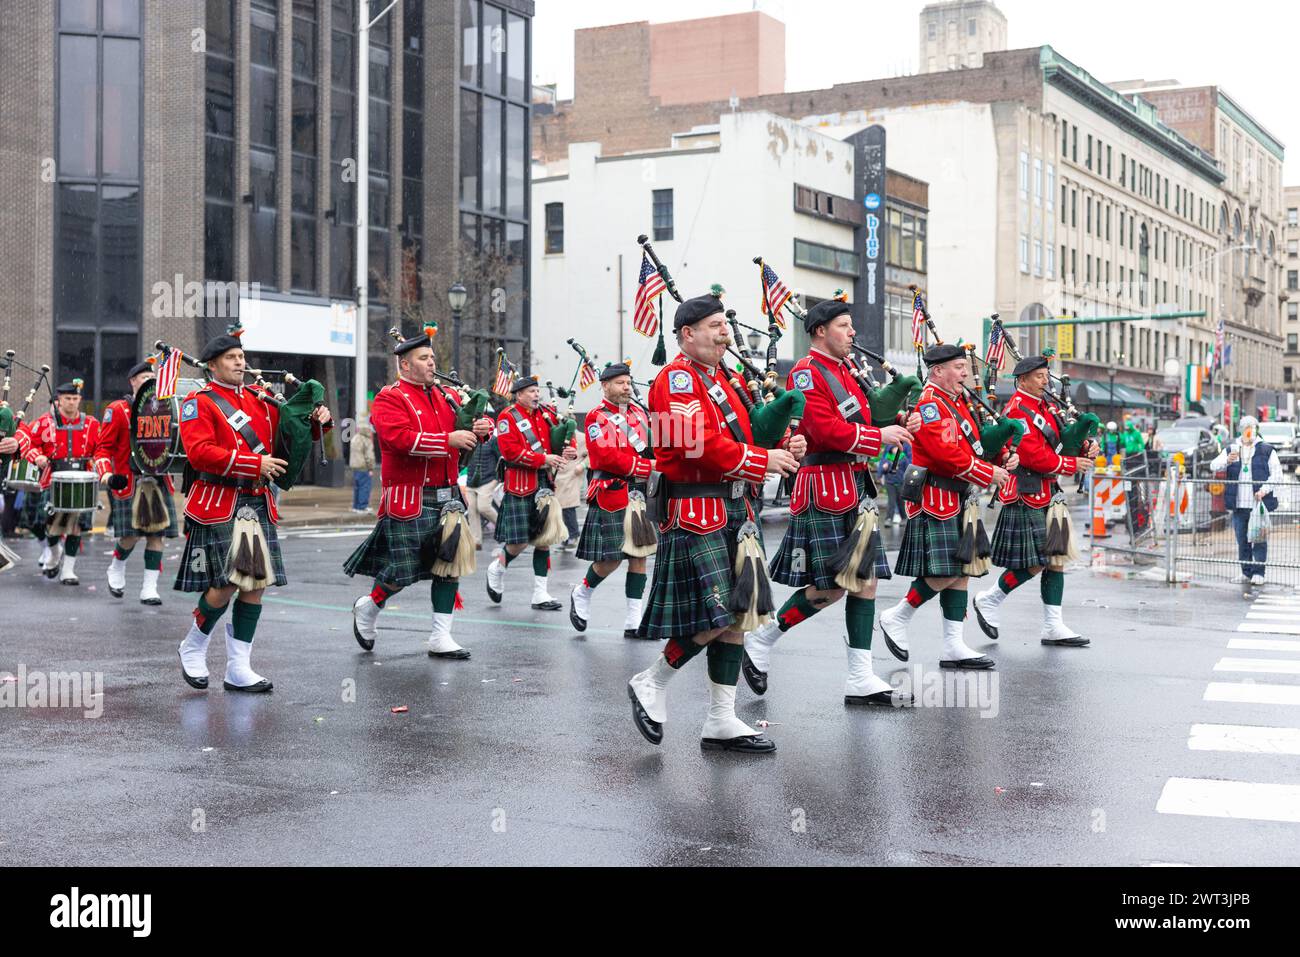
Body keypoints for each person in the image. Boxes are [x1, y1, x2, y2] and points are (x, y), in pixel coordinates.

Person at [625, 292, 801, 754]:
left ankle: (721, 719)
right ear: (687, 333)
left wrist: (784, 440)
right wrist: (762, 459)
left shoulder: (724, 378)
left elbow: (746, 433)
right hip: (697, 511)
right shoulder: (674, 380)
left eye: (726, 324)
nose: (726, 332)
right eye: (715, 325)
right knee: (716, 613)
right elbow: (689, 445)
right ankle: (651, 680)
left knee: (738, 615)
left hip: (736, 511)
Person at [741, 298, 916, 706]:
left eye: (851, 325)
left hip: (855, 486)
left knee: (864, 581)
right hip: (825, 485)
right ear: (820, 331)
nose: (852, 332)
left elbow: (863, 418)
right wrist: (879, 437)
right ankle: (762, 641)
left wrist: (894, 422)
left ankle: (859, 675)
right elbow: (823, 429)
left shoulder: (846, 371)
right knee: (829, 588)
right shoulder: (806, 372)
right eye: (843, 325)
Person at [174, 327, 332, 692]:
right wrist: (251, 464)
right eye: (231, 357)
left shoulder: (262, 399)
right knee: (225, 583)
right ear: (213, 365)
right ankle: (193, 645)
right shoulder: (200, 402)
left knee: (255, 585)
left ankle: (238, 666)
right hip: (220, 501)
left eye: (242, 357)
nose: (240, 362)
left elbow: (285, 438)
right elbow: (199, 453)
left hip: (257, 501)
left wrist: (314, 422)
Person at [345, 329, 493, 659]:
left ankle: (441, 637)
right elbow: (397, 438)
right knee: (401, 572)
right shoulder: (390, 398)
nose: (431, 363)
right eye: (424, 359)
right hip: (409, 499)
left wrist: (478, 432)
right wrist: (448, 440)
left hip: (448, 497)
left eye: (432, 358)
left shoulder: (445, 397)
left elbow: (461, 435)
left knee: (449, 564)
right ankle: (368, 608)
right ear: (405, 365)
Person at [876, 344, 1016, 670]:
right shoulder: (929, 405)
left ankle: (953, 645)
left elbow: (975, 443)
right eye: (957, 367)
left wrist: (1001, 454)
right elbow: (944, 455)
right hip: (936, 498)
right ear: (937, 371)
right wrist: (987, 472)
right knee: (947, 571)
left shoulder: (956, 403)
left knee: (962, 572)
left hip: (959, 497)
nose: (964, 373)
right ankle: (897, 616)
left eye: (964, 367)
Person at [973, 355, 1098, 648]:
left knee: (1056, 559)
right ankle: (990, 599)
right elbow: (1031, 455)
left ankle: (1053, 625)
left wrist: (1086, 444)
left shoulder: (1047, 406)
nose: (1045, 381)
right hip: (1025, 492)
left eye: (1046, 376)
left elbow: (1061, 440)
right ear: (1022, 380)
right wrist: (1070, 465)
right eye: (1039, 376)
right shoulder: (1016, 409)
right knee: (1035, 562)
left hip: (1047, 491)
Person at [568, 362, 656, 639]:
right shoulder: (596, 418)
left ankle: (633, 619)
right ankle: (582, 591)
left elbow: (652, 447)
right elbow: (606, 457)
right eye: (620, 383)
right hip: (612, 492)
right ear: (605, 386)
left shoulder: (639, 413)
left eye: (628, 383)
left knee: (639, 556)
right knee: (612, 559)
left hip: (639, 494)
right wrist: (646, 467)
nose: (626, 387)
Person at [484, 376, 577, 610]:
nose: (537, 395)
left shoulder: (544, 414)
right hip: (520, 484)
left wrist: (569, 450)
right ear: (519, 394)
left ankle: (540, 593)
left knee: (544, 540)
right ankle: (497, 568)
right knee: (519, 542)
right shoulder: (508, 417)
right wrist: (544, 458)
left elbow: (563, 436)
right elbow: (510, 451)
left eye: (537, 391)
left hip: (543, 484)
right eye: (531, 391)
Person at [91, 358, 179, 604]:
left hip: (158, 480)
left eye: (152, 379)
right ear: (132, 382)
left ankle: (149, 588)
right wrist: (107, 475)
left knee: (156, 536)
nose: (149, 382)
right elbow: (102, 448)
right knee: (130, 536)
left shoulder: (164, 407)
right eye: (144, 378)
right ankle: (116, 566)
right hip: (129, 481)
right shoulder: (118, 409)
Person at [21, 380, 100, 584]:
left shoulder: (92, 423)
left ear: (80, 399)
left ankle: (68, 571)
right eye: (67, 399)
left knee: (76, 527)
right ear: (58, 400)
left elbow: (101, 449)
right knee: (51, 525)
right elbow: (29, 444)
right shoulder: (44, 422)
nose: (72, 402)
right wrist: (37, 456)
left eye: (75, 398)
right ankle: (54, 553)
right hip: (52, 479)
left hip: (83, 481)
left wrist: (99, 464)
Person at [1210, 415, 1280, 587]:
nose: (1248, 431)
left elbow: (1277, 474)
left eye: (1252, 427)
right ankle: (1246, 572)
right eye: (1245, 427)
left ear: (1256, 430)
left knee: (1259, 539)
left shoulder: (1266, 450)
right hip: (1239, 505)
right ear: (1240, 430)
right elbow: (1213, 465)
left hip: (1257, 505)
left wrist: (1264, 490)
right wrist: (1227, 460)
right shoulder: (1232, 448)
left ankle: (1258, 573)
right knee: (1242, 540)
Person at [463, 414, 500, 547]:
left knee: (483, 507)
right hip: (471, 479)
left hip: (489, 478)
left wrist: (499, 477)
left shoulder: (494, 440)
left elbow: (501, 458)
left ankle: (503, 528)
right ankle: (476, 541)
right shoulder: (470, 439)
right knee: (472, 509)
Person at [554, 424, 588, 549]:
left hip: (572, 474)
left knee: (568, 507)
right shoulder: (557, 435)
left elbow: (591, 454)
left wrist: (582, 466)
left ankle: (573, 535)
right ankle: (567, 536)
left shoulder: (582, 438)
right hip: (558, 475)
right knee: (560, 508)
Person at [881, 441, 911, 526]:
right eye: (894, 448)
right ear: (890, 449)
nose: (895, 450)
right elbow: (882, 470)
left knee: (901, 501)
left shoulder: (903, 458)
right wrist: (883, 469)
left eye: (897, 448)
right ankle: (888, 519)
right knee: (891, 501)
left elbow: (908, 468)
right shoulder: (887, 458)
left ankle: (904, 518)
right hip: (890, 482)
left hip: (901, 482)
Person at [348, 420, 376, 513]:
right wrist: (371, 468)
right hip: (363, 466)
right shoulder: (366, 440)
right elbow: (369, 456)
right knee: (365, 487)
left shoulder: (355, 438)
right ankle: (362, 506)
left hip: (355, 466)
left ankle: (356, 506)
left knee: (357, 487)